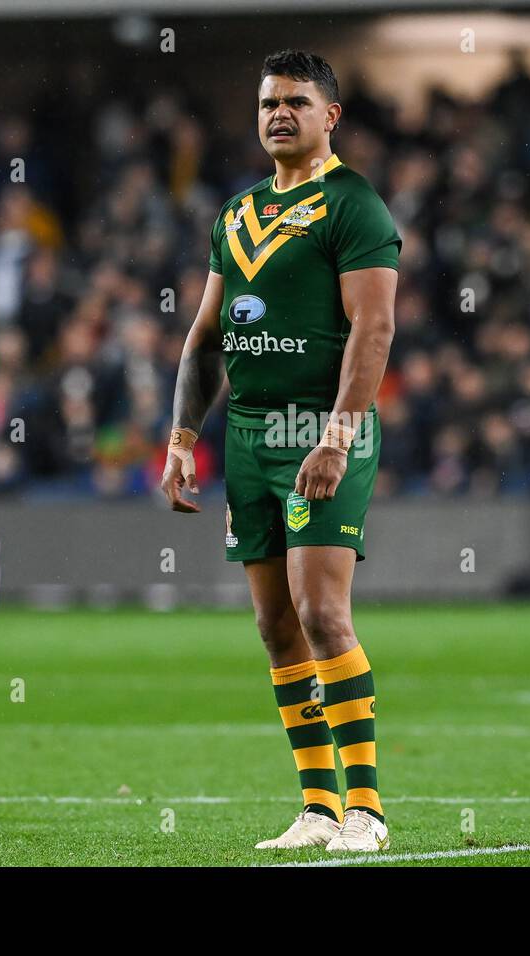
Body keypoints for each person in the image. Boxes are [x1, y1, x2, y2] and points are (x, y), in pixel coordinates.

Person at [160, 50, 399, 852]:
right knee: (274, 626)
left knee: (324, 612)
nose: (278, 114)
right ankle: (317, 808)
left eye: (297, 101)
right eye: (268, 103)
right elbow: (206, 338)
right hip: (251, 434)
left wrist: (337, 434)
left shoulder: (354, 204)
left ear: (332, 116)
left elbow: (374, 326)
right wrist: (184, 437)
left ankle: (365, 810)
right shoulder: (235, 215)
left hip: (322, 429)